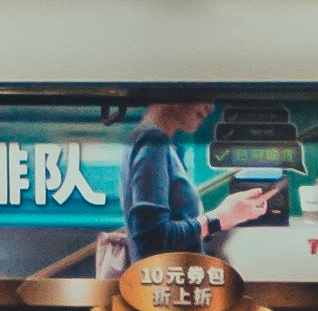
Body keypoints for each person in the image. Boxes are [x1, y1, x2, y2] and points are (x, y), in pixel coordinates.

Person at [102, 98, 282, 274]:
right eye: (203, 91)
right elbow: (152, 242)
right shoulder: (152, 141)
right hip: (165, 293)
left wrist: (228, 215)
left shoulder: (157, 142)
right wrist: (218, 218)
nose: (210, 107)